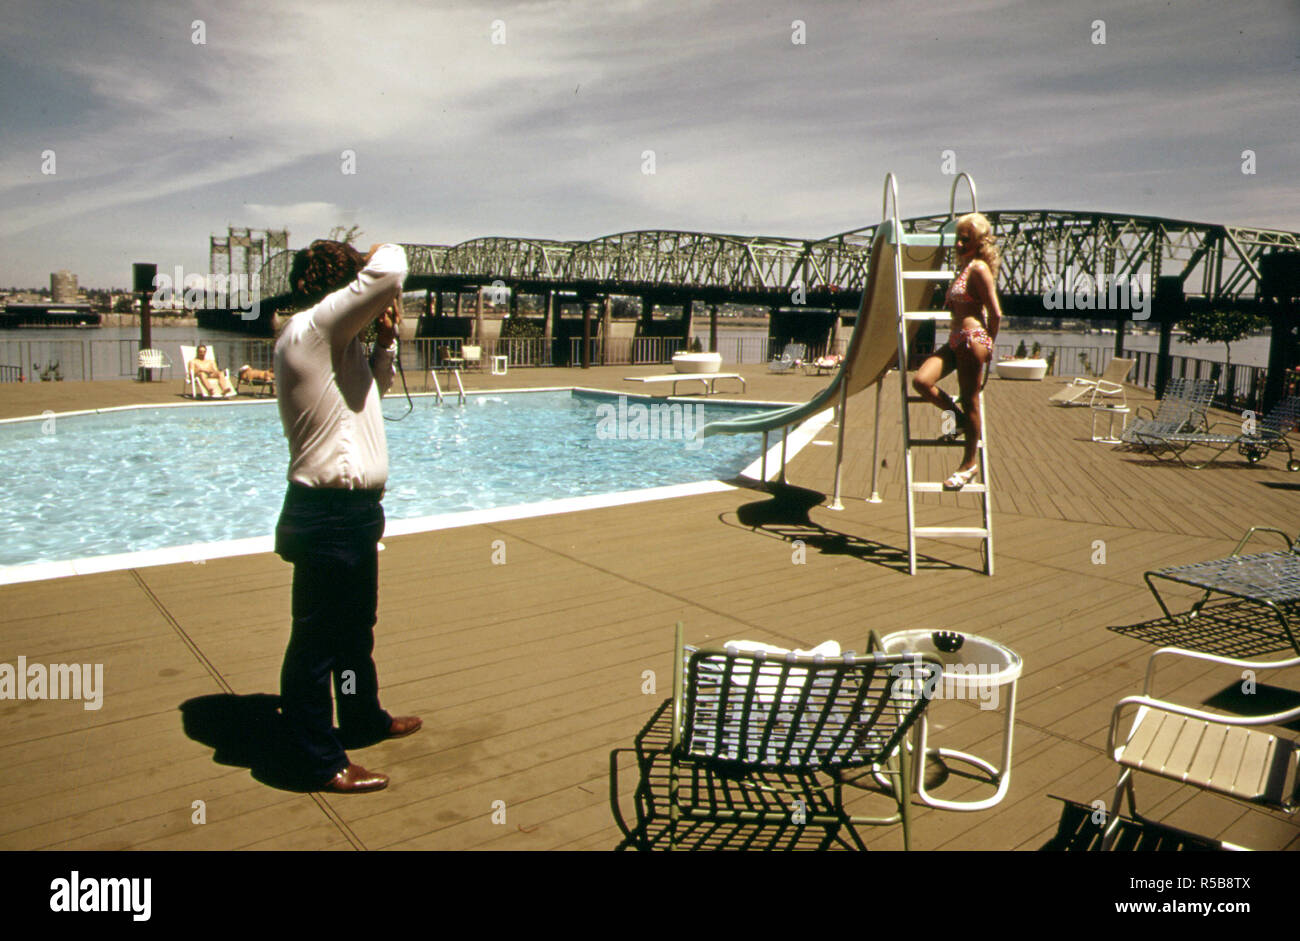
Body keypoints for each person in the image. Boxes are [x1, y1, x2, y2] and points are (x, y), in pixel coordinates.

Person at [272, 239, 421, 794]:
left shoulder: (332, 341)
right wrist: (374, 257)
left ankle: (360, 717)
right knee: (316, 642)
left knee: (355, 630)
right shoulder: (313, 328)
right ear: (341, 286)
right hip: (329, 515)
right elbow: (394, 264)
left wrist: (383, 344)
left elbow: (363, 401)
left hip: (354, 513)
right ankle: (316, 759)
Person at [911, 213, 1003, 489]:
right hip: (954, 339)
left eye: (967, 240)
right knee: (922, 381)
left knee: (970, 399)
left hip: (972, 339)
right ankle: (959, 421)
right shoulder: (964, 268)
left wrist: (988, 345)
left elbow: (996, 313)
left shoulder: (978, 269)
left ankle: (969, 463)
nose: (960, 245)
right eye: (958, 239)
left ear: (979, 243)